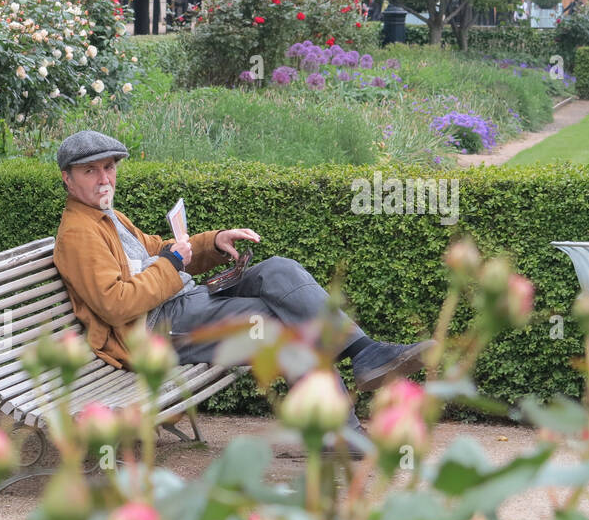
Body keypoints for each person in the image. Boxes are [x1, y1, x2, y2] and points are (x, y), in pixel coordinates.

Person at [51, 130, 433, 444]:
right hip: (150, 330)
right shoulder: (79, 234)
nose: (104, 178)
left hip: (179, 302)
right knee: (274, 319)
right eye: (91, 171)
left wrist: (211, 243)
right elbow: (116, 304)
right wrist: (170, 266)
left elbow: (155, 249)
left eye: (109, 168)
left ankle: (365, 352)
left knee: (279, 271)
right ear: (68, 178)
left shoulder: (108, 216)